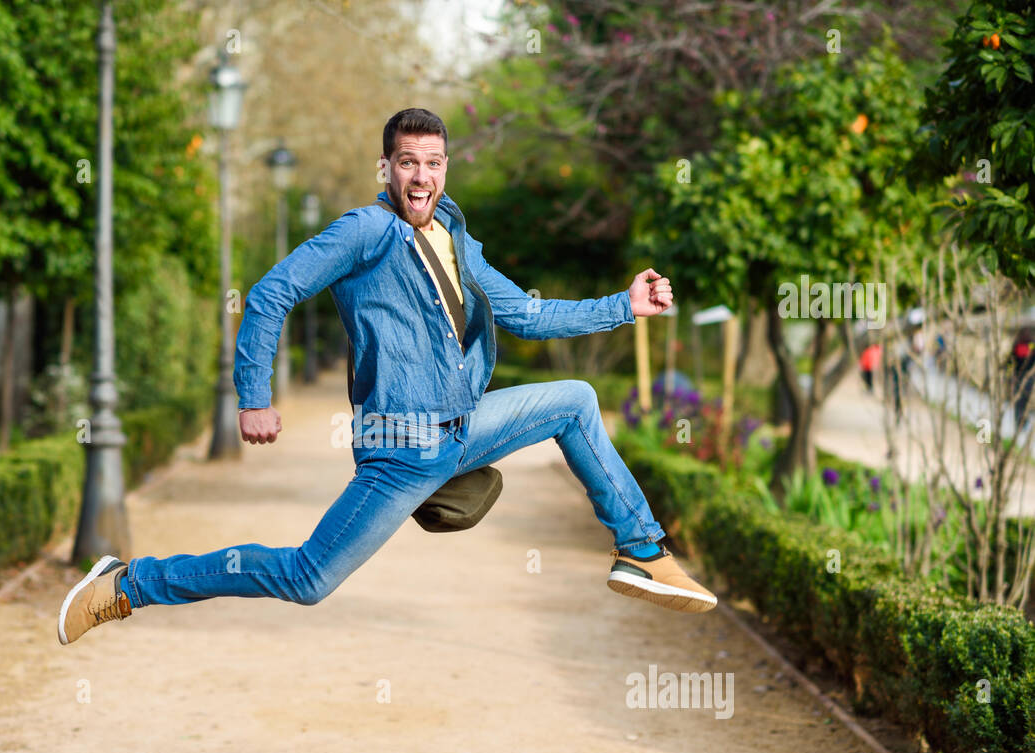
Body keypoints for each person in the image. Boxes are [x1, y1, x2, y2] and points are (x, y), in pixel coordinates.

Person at [57, 108, 717, 647]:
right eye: (408, 162)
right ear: (387, 167)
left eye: (432, 162)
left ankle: (642, 549)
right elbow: (268, 294)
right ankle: (126, 585)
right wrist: (252, 397)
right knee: (307, 577)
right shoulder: (367, 231)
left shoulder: (460, 242)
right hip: (400, 452)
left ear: (445, 167)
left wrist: (622, 306)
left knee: (576, 399)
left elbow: (528, 314)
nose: (421, 176)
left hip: (464, 429)